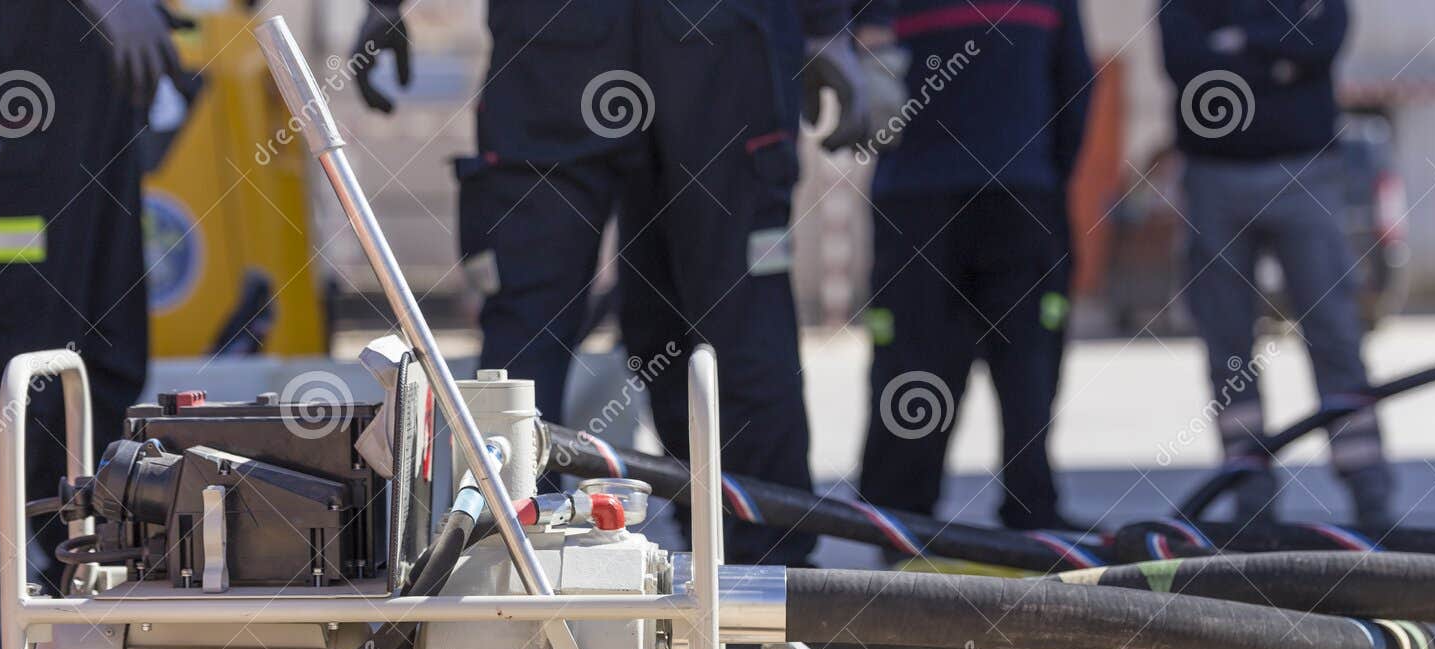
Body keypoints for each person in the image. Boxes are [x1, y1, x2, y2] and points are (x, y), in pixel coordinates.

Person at [353, 1, 871, 566]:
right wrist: (829, 30)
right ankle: (770, 587)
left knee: (536, 331)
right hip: (719, 46)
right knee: (737, 315)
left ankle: (506, 573)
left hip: (560, 43)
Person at [0, 0, 172, 649]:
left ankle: (80, 583)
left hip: (86, 61)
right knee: (8, 348)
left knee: (103, 342)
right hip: (6, 48)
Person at [854, 0, 1092, 535]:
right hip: (1014, 191)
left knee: (916, 359)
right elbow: (1075, 86)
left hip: (921, 195)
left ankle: (899, 520)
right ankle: (1032, 514)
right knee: (1025, 360)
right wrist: (1044, 173)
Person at [1160, 0, 1393, 526]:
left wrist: (1237, 41)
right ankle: (1250, 497)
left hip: (1305, 173)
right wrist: (1281, 55)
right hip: (1214, 179)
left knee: (1335, 334)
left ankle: (1370, 495)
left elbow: (1325, 40)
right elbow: (1183, 61)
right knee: (1228, 347)